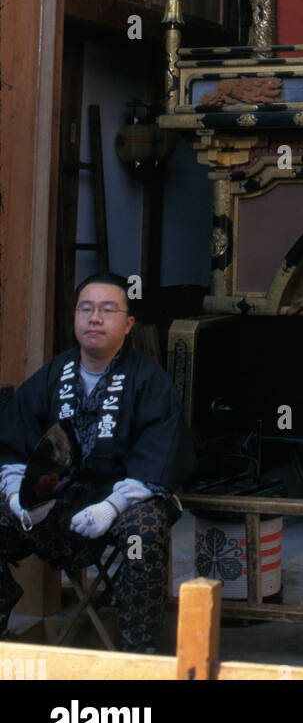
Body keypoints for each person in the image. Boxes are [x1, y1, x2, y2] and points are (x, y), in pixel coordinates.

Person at [0, 271, 195, 653]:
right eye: (86, 309)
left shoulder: (149, 381)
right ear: (75, 318)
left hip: (120, 504)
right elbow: (14, 444)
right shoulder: (52, 377)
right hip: (55, 503)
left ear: (128, 325)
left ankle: (137, 652)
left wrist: (112, 506)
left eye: (108, 310)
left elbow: (162, 455)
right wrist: (21, 498)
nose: (94, 318)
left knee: (145, 534)